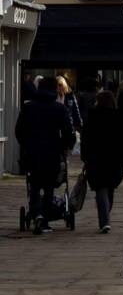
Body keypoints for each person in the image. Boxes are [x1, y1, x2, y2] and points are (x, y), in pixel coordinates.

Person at [14, 75, 75, 233]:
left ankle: (37, 213)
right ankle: (45, 218)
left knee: (34, 184)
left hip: (32, 153)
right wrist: (65, 145)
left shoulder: (28, 107)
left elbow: (19, 130)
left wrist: (26, 144)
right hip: (52, 153)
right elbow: (68, 133)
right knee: (49, 187)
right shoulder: (59, 109)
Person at [80, 90, 123, 232]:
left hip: (96, 159)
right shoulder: (119, 117)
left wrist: (85, 157)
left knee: (101, 188)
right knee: (110, 187)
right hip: (115, 159)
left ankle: (104, 219)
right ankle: (106, 216)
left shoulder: (92, 117)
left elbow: (85, 139)